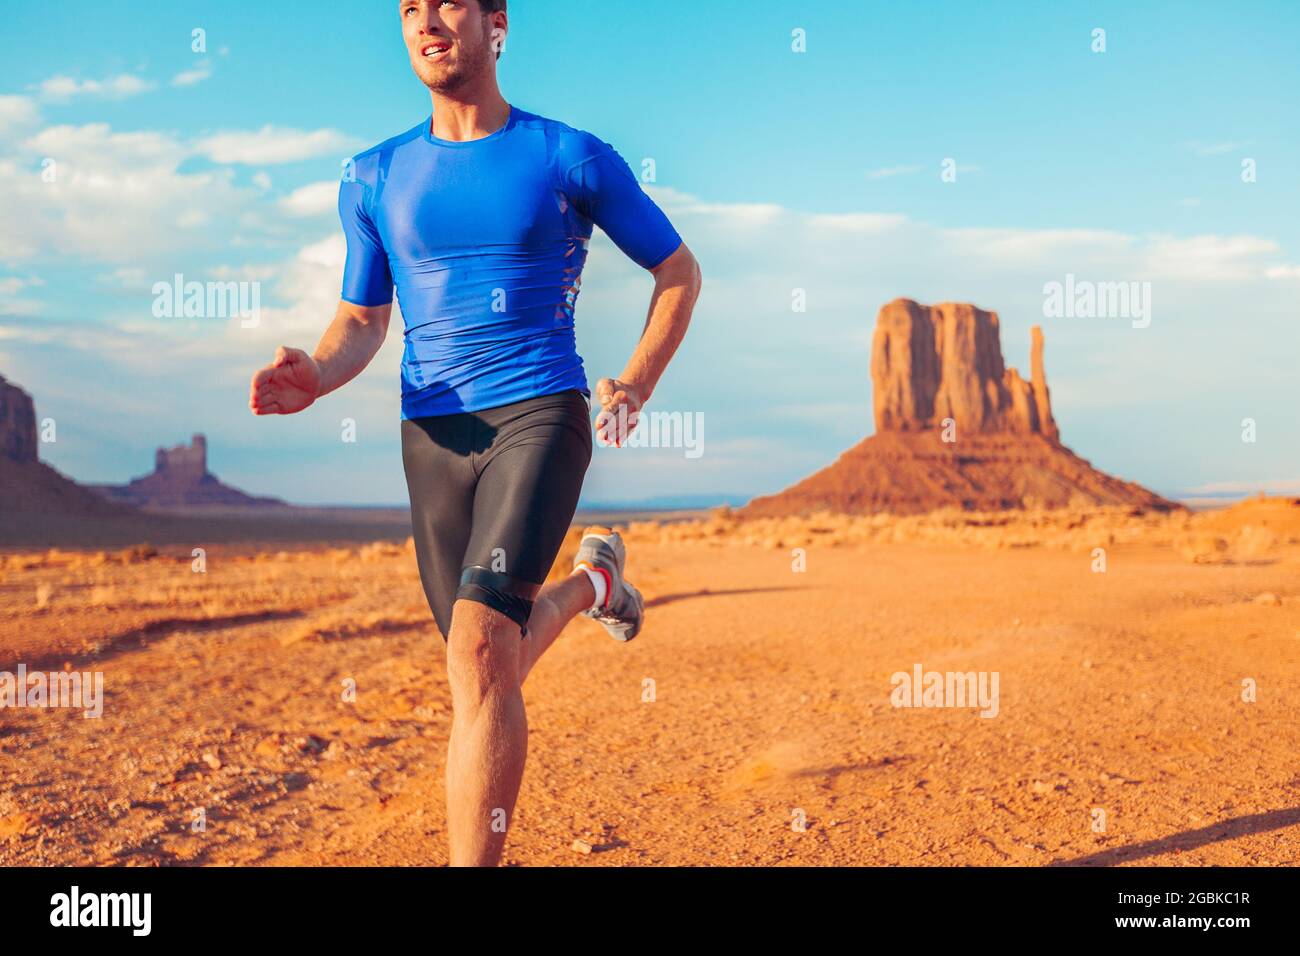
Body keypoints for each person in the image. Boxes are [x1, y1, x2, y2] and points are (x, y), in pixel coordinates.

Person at [248, 0, 701, 866]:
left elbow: (678, 271)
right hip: (433, 435)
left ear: (496, 22)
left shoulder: (566, 155)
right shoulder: (374, 176)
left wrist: (637, 380)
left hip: (539, 412)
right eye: (408, 7)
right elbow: (361, 321)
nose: (426, 20)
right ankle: (594, 589)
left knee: (481, 647)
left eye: (446, 1)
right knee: (485, 666)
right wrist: (318, 372)